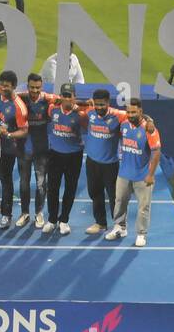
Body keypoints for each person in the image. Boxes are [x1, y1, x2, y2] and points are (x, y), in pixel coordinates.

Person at [78, 88, 140, 236]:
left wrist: (149, 121)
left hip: (110, 164)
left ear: (108, 102)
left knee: (114, 196)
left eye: (102, 104)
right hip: (92, 162)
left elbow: (137, 116)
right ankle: (100, 223)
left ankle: (119, 225)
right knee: (95, 193)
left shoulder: (118, 115)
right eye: (97, 104)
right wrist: (85, 103)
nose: (99, 108)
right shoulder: (89, 112)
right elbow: (67, 102)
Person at [106, 98, 161, 247]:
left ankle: (141, 234)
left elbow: (156, 153)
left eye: (134, 112)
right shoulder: (123, 122)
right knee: (119, 201)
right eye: (128, 112)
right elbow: (108, 110)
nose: (130, 114)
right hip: (124, 173)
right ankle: (120, 227)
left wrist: (150, 174)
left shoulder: (149, 129)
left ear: (140, 112)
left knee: (143, 206)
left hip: (142, 176)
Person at [42, 82, 85, 236]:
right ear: (60, 96)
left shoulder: (81, 115)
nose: (67, 99)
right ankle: (52, 220)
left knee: (70, 188)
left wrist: (82, 107)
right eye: (64, 96)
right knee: (52, 188)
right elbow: (44, 96)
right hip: (55, 154)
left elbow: (91, 118)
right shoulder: (52, 109)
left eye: (70, 96)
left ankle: (64, 220)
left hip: (74, 156)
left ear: (74, 97)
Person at [0, 70, 30, 229]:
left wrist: (9, 134)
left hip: (9, 149)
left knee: (6, 181)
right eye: (2, 85)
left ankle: (6, 214)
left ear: (14, 86)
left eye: (7, 86)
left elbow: (24, 131)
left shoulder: (19, 107)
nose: (3, 88)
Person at [18, 73, 51, 228]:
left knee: (40, 184)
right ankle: (24, 213)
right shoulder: (21, 98)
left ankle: (39, 212)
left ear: (42, 86)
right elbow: (6, 95)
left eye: (38, 87)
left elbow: (66, 100)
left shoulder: (47, 99)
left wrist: (85, 103)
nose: (35, 91)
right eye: (32, 87)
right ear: (27, 86)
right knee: (24, 183)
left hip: (41, 150)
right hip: (23, 149)